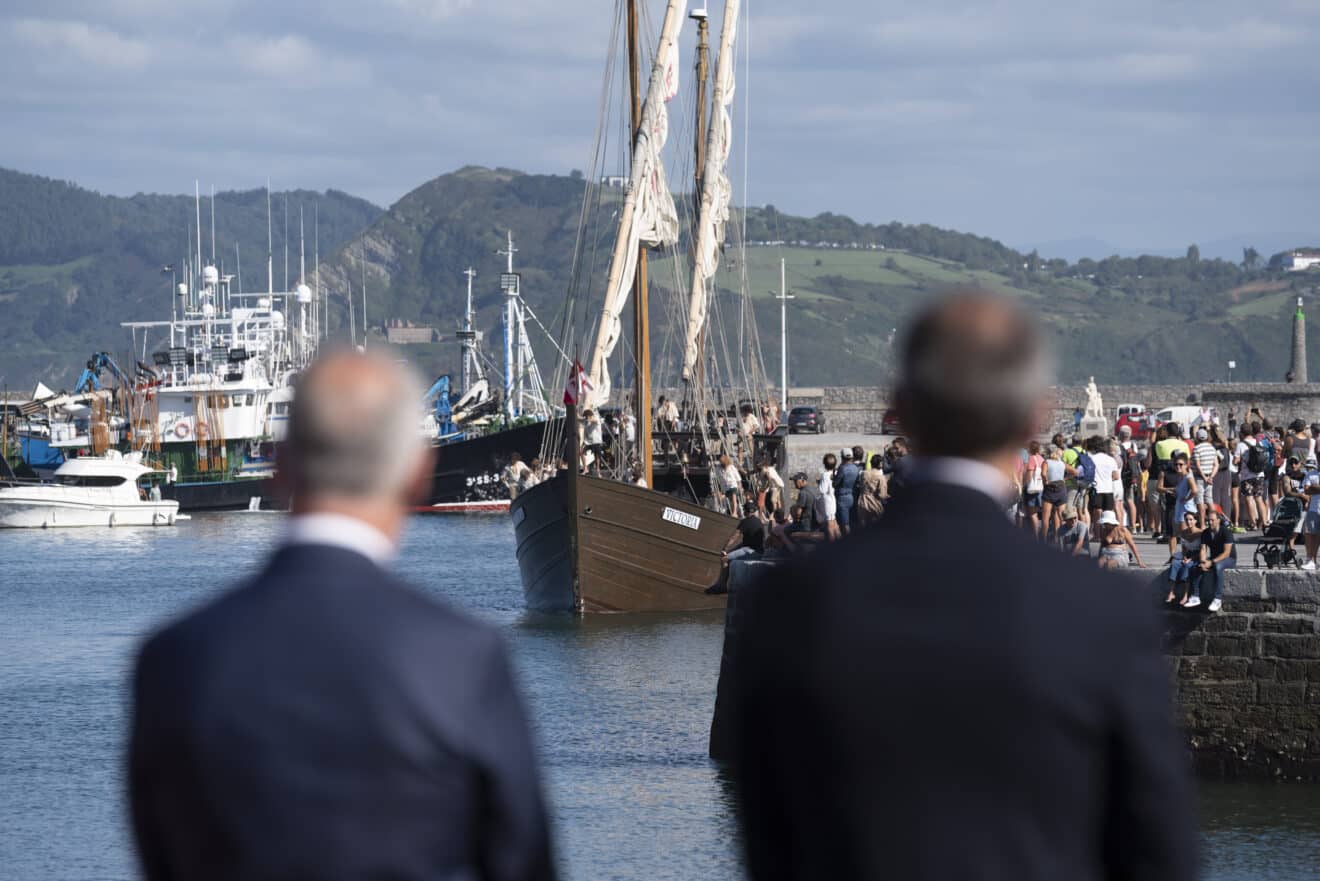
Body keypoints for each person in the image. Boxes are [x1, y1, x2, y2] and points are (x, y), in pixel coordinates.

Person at [730, 291, 1196, 881]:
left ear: (900, 407)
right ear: (1037, 416)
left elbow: (770, 841)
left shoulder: (792, 603)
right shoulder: (1104, 610)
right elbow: (1158, 855)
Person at [128, 351, 555, 881]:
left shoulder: (173, 659)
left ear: (282, 467)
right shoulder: (463, 658)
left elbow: (160, 856)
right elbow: (524, 862)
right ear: (419, 473)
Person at [1196, 506, 1236, 612]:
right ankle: (1195, 595)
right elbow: (1203, 549)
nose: (1210, 522)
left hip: (1229, 559)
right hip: (1214, 558)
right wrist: (1203, 561)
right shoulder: (1205, 532)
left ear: (1218, 520)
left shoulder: (1226, 532)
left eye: (1212, 520)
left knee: (1218, 567)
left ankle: (1218, 598)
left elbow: (1227, 553)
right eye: (1208, 520)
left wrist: (1211, 562)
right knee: (1197, 566)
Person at [1166, 511, 1204, 606]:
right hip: (1187, 554)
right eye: (1187, 520)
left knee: (1187, 565)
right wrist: (1184, 556)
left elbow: (1202, 550)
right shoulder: (1183, 533)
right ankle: (1171, 592)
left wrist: (1190, 559)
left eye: (1191, 519)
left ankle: (1186, 594)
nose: (1188, 522)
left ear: (1195, 521)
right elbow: (1184, 548)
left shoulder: (1201, 533)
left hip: (1197, 556)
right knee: (1175, 563)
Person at [1191, 427, 1218, 526]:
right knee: (1210, 500)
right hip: (1209, 478)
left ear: (1197, 438)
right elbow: (1216, 465)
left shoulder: (1196, 449)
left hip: (1199, 478)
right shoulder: (1212, 448)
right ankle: (1214, 522)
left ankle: (1202, 524)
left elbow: (1197, 466)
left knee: (1200, 502)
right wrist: (1211, 477)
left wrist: (1204, 477)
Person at [855, 454, 888, 527]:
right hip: (874, 503)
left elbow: (860, 486)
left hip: (862, 502)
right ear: (880, 464)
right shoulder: (881, 477)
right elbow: (882, 495)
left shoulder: (864, 473)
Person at [833, 448, 860, 535]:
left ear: (842, 457)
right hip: (852, 496)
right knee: (851, 521)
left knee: (845, 523)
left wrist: (834, 476)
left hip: (842, 498)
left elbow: (835, 483)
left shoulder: (842, 469)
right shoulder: (856, 468)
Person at [816, 453, 840, 541]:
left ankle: (833, 546)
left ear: (824, 464)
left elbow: (823, 490)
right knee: (835, 523)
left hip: (828, 502)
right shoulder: (836, 472)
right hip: (834, 499)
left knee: (830, 525)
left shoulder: (825, 475)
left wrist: (819, 483)